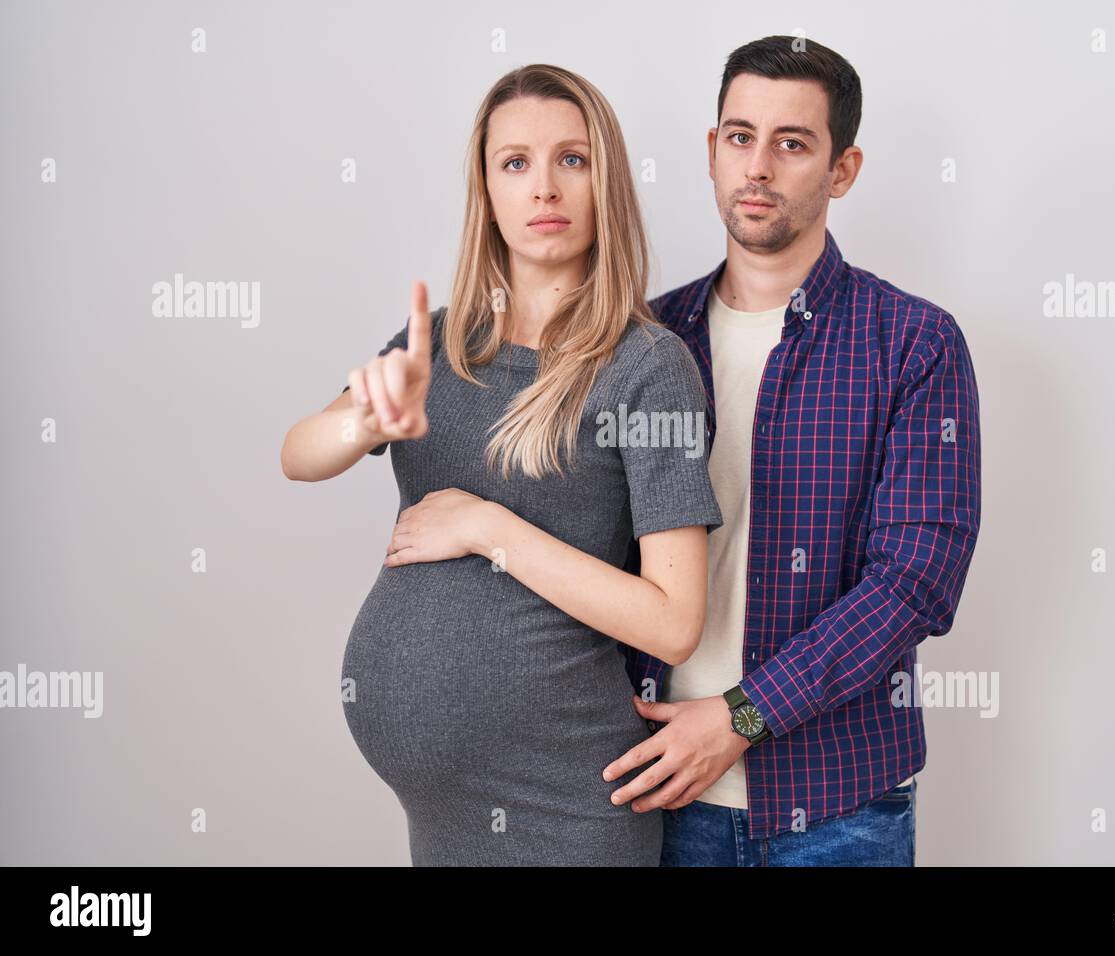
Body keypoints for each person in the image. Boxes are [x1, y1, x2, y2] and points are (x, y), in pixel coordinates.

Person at [280, 64, 723, 866]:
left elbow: (673, 620)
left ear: (606, 183)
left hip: (566, 803)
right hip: (447, 817)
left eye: (573, 160)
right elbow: (297, 457)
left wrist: (490, 529)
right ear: (486, 190)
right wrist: (362, 418)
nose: (544, 188)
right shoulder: (441, 343)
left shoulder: (649, 367)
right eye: (515, 162)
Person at [600, 35, 983, 866]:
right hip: (653, 792)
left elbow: (917, 582)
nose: (758, 168)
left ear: (842, 169)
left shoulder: (914, 344)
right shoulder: (645, 342)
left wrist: (742, 716)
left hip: (841, 804)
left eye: (792, 143)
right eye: (740, 138)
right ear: (711, 152)